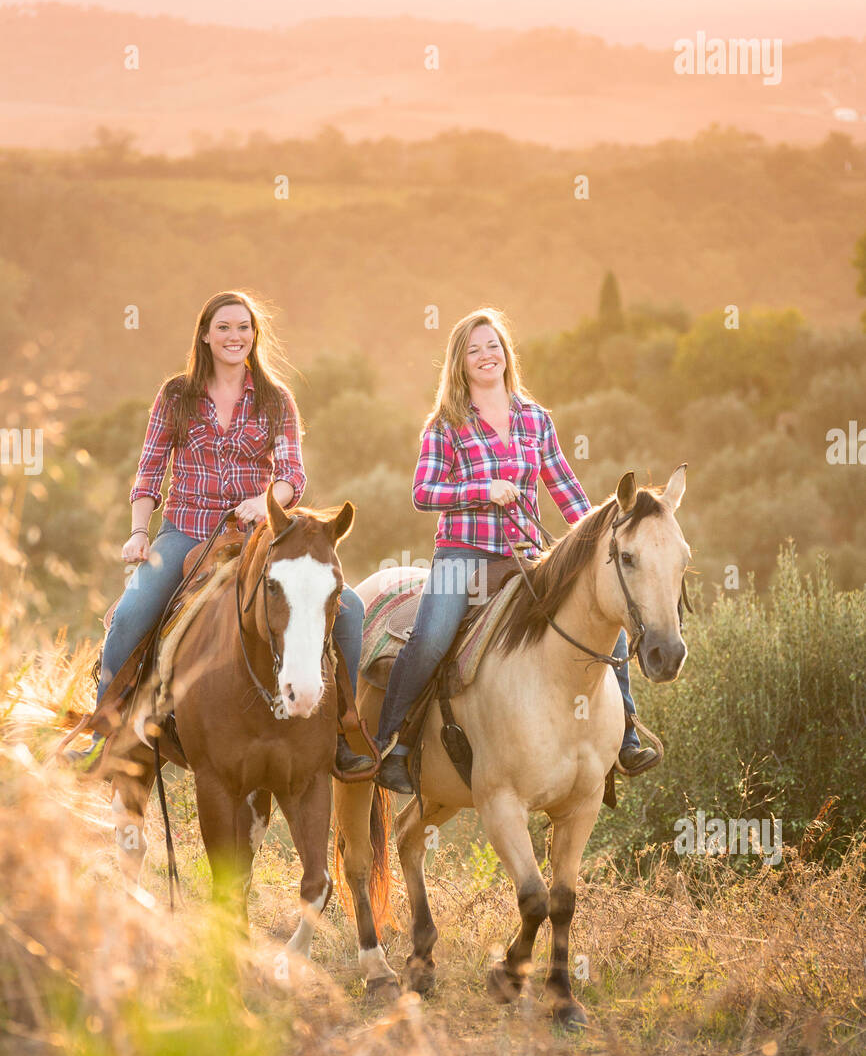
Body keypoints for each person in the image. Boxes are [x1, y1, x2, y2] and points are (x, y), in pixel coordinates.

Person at [68, 290, 370, 774]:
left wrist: (269, 498)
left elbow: (293, 472)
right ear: (205, 335)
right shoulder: (176, 396)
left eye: (244, 327)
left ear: (255, 335)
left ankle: (342, 732)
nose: (235, 336)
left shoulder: (276, 399)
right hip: (185, 532)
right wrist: (139, 531)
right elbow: (149, 472)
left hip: (260, 536)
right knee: (130, 616)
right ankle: (103, 733)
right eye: (224, 327)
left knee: (350, 610)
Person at [373, 307, 659, 794]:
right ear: (459, 363)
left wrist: (594, 540)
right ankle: (393, 745)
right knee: (432, 639)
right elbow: (422, 492)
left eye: (493, 346)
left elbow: (564, 486)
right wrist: (482, 488)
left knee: (601, 610)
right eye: (474, 349)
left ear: (506, 354)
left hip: (526, 555)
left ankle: (626, 732)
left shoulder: (535, 419)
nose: (486, 356)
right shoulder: (446, 423)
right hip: (461, 555)